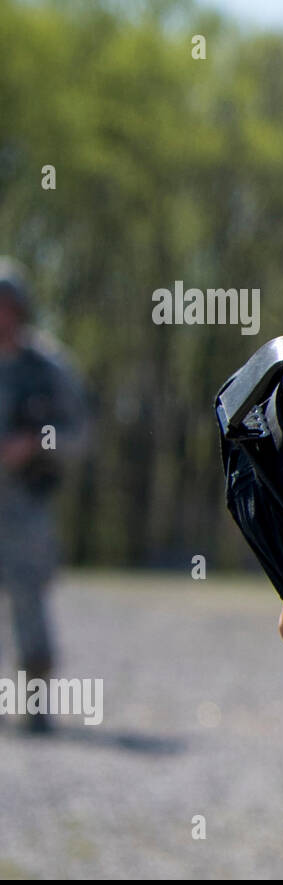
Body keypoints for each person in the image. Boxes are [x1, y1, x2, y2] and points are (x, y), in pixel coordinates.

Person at [0, 258, 88, 733]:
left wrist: (33, 444)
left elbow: (77, 437)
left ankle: (35, 710)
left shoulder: (47, 369)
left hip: (26, 510)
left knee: (29, 607)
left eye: (6, 306)